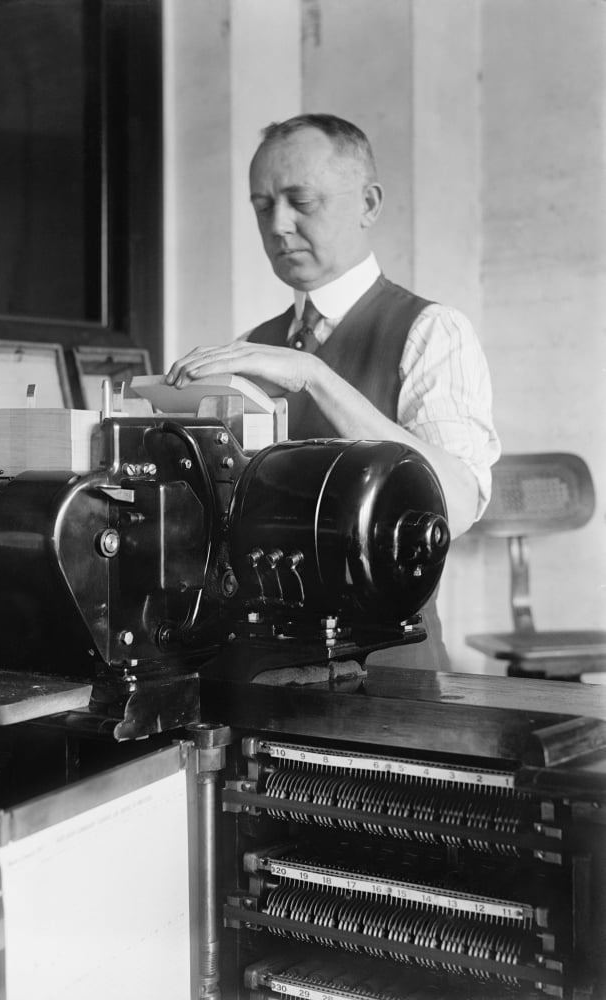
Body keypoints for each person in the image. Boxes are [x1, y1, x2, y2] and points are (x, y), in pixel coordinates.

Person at [165, 113, 500, 669]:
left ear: (368, 204)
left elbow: (458, 505)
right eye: (262, 205)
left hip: (391, 674)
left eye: (302, 200)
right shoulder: (252, 346)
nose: (279, 224)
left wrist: (313, 375)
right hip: (264, 673)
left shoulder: (432, 332)